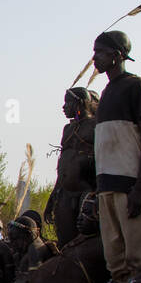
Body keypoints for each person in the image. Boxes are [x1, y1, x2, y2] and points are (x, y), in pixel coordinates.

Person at [91, 30, 141, 283]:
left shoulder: (136, 86)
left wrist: (139, 187)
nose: (94, 58)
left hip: (130, 185)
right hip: (107, 185)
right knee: (116, 263)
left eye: (100, 52)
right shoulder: (107, 91)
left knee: (140, 261)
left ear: (116, 56)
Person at [46, 88, 97, 247]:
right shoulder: (67, 129)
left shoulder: (95, 125)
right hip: (65, 193)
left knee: (86, 239)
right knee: (65, 241)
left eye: (68, 102)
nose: (64, 106)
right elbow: (62, 166)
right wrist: (53, 196)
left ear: (80, 103)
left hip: (87, 192)